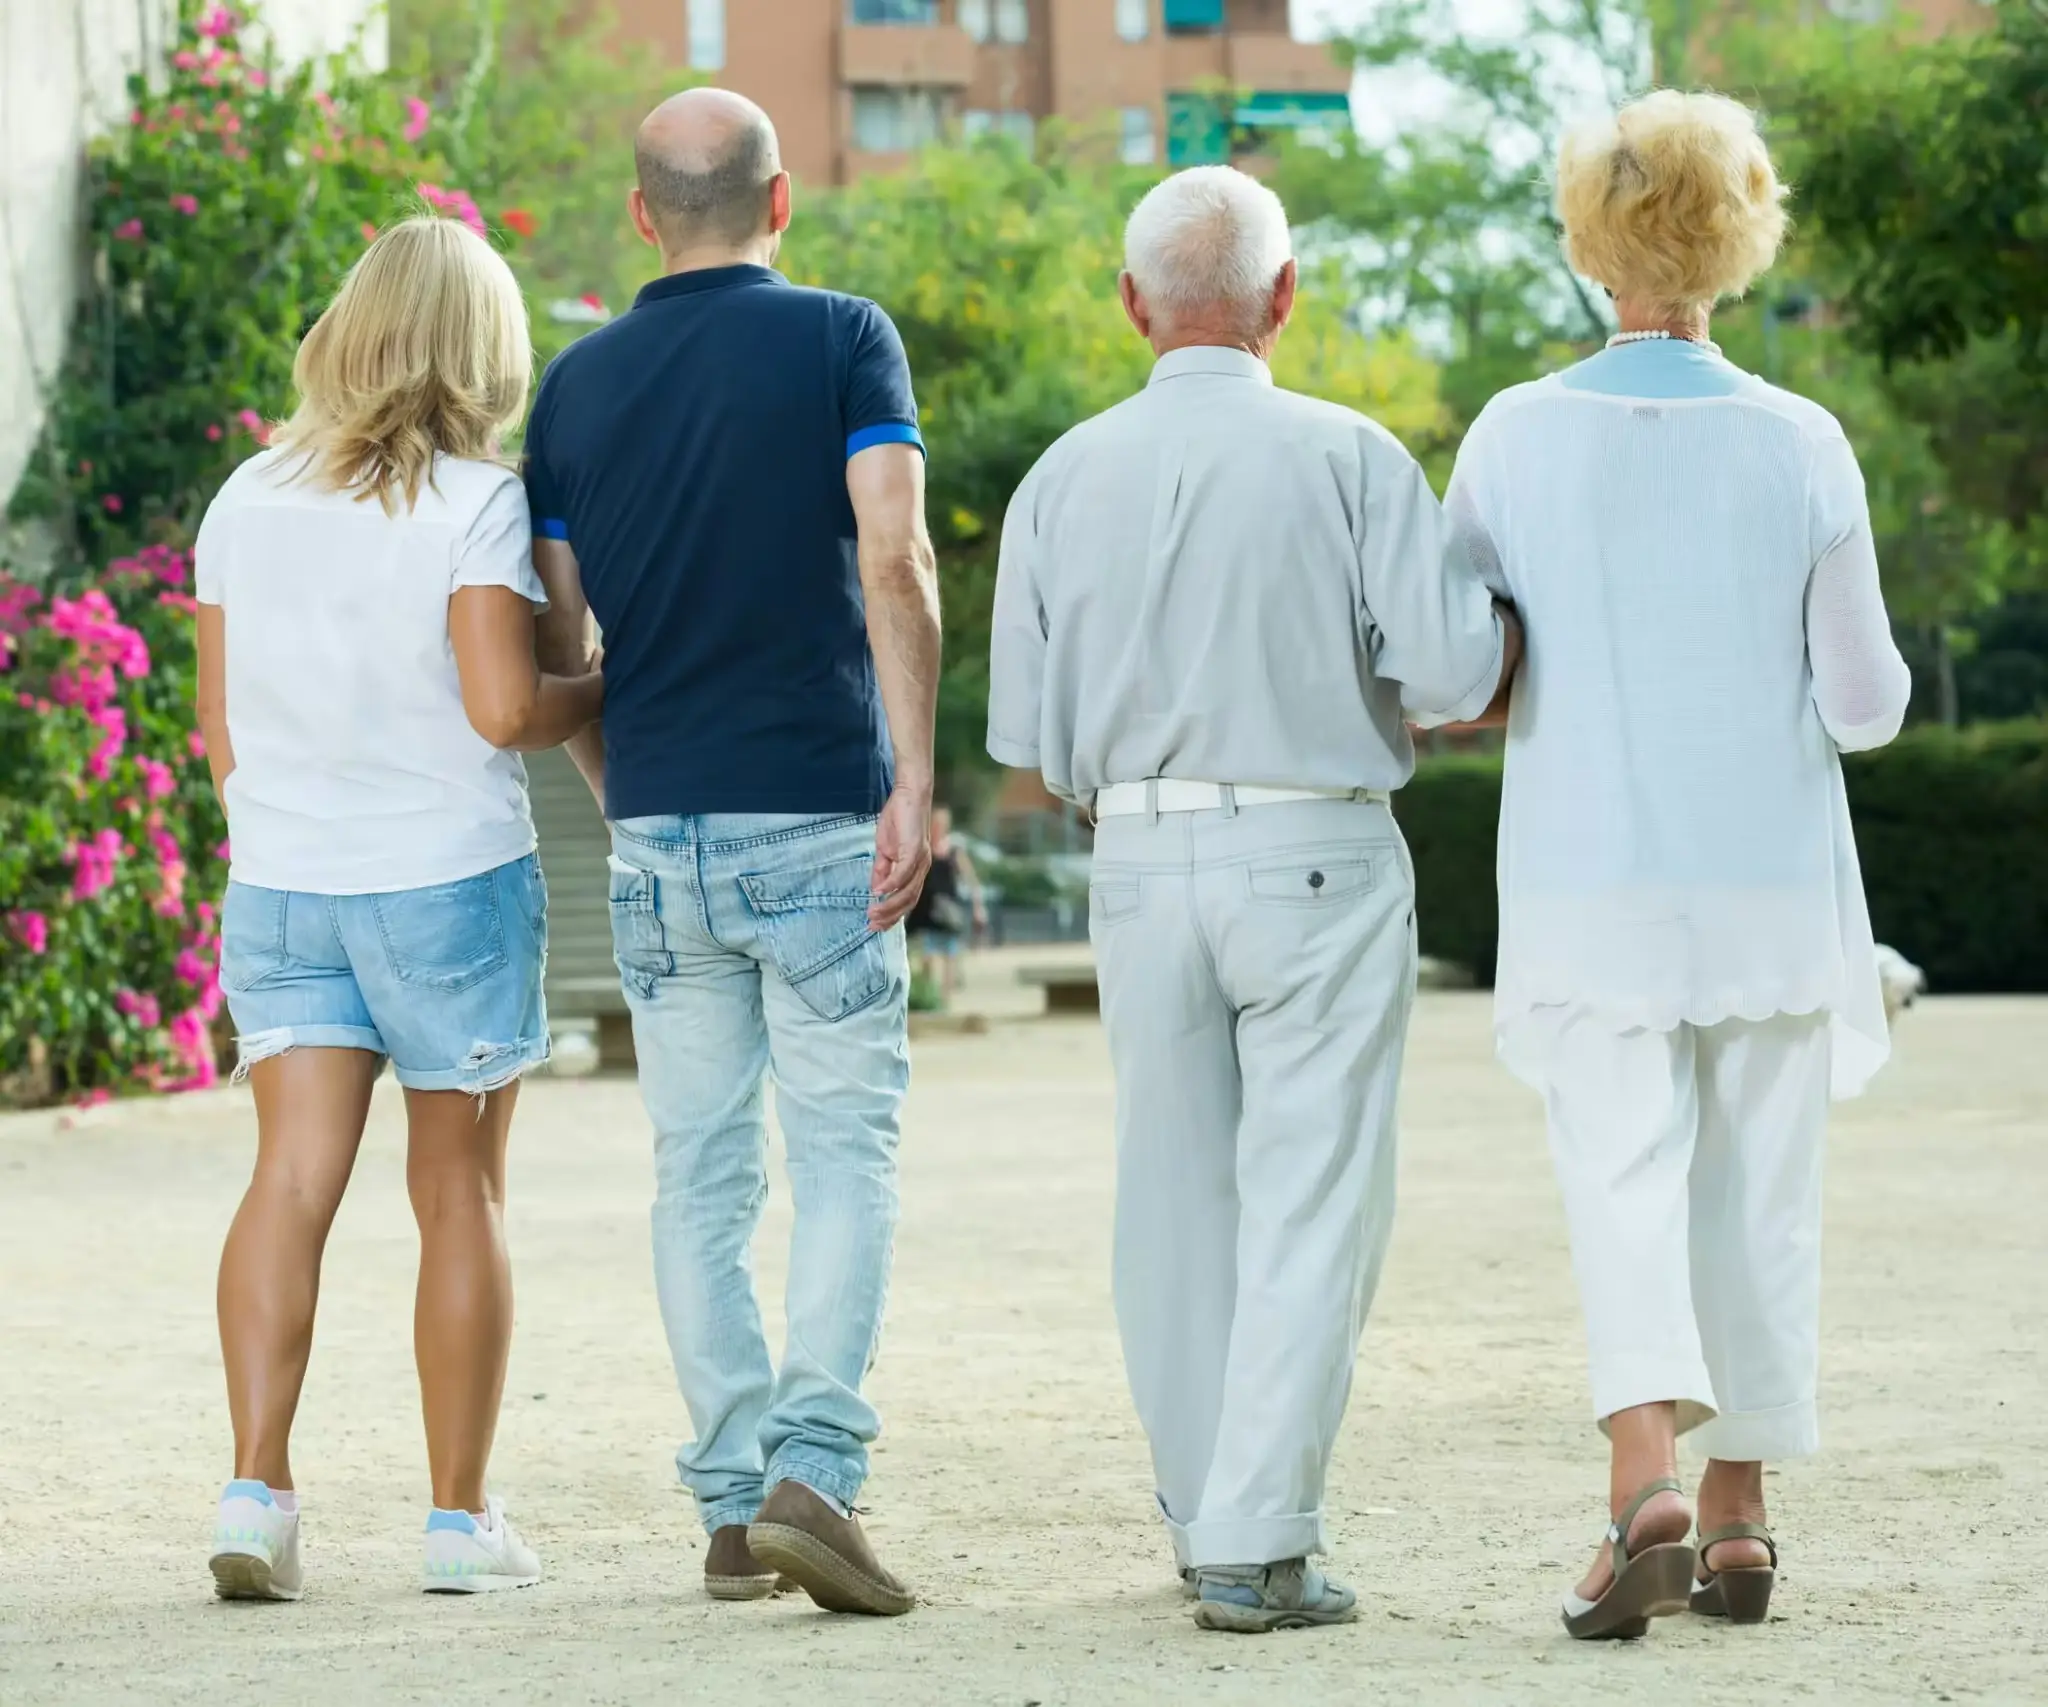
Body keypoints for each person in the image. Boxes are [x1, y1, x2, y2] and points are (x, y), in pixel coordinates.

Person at [987, 166, 1518, 1634]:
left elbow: (1026, 739)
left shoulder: (1055, 478)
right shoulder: (1348, 454)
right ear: (1284, 299)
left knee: (1168, 1196)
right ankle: (1257, 1526)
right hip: (1316, 847)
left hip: (1139, 858)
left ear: (1132, 302)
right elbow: (1459, 675)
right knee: (1313, 1194)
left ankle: (1200, 1507)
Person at [1443, 91, 1912, 1639]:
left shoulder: (1515, 433)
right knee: (1763, 1192)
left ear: (1592, 242)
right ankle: (1738, 1514)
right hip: (1771, 880)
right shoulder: (1803, 440)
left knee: (1618, 1175)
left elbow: (1460, 675)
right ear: (1745, 230)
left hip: (1590, 872)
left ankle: (1641, 1472)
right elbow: (1865, 704)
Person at [523, 89, 939, 1616]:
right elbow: (891, 554)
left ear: (643, 215)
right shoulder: (845, 337)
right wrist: (918, 778)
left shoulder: (568, 390)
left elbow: (562, 647)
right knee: (841, 1150)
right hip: (821, 811)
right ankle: (811, 1471)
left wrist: (624, 788)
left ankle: (725, 1498)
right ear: (779, 205)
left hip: (657, 832)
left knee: (695, 1175)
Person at [196, 215, 602, 1600]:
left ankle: (256, 1491)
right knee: (460, 1191)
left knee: (289, 1181)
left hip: (285, 883)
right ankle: (456, 1518)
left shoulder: (244, 498)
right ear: (484, 350)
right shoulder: (477, 502)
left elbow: (220, 736)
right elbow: (506, 707)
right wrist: (611, 685)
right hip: (445, 887)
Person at [905, 806, 986, 1003]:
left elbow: (971, 880)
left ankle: (944, 1000)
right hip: (924, 910)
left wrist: (978, 907)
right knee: (926, 955)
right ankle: (928, 997)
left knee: (949, 955)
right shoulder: (923, 849)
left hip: (947, 911)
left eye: (940, 824)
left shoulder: (954, 851)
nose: (936, 828)